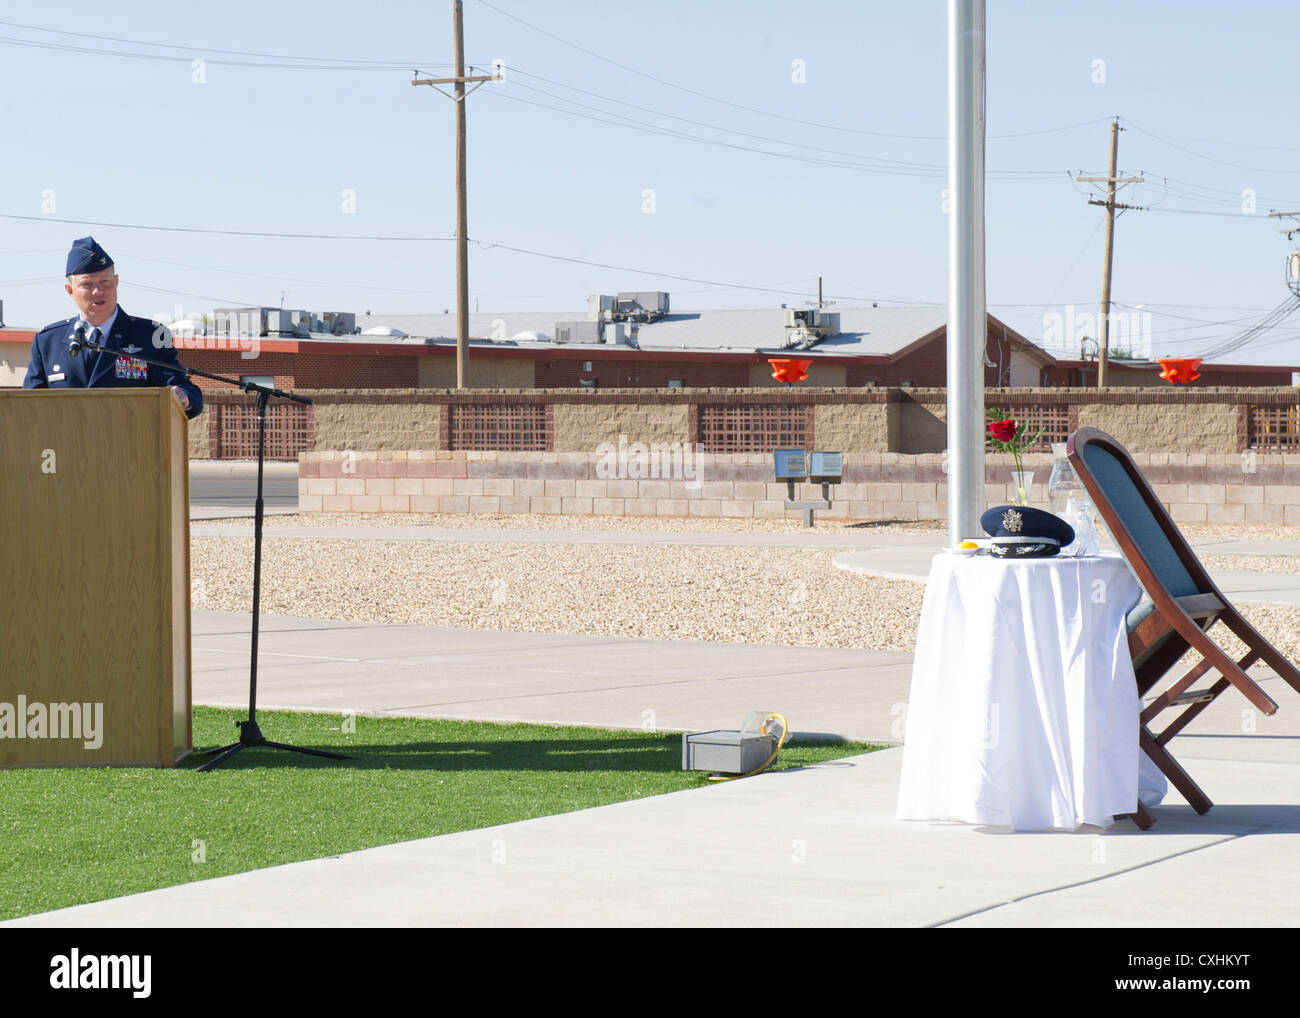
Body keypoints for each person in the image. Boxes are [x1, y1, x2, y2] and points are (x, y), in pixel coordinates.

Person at [22, 237, 203, 419]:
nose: (98, 291)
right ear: (69, 290)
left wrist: (184, 397)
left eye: (105, 282)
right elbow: (28, 407)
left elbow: (185, 392)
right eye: (87, 284)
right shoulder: (47, 341)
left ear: (116, 282)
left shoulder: (151, 335)